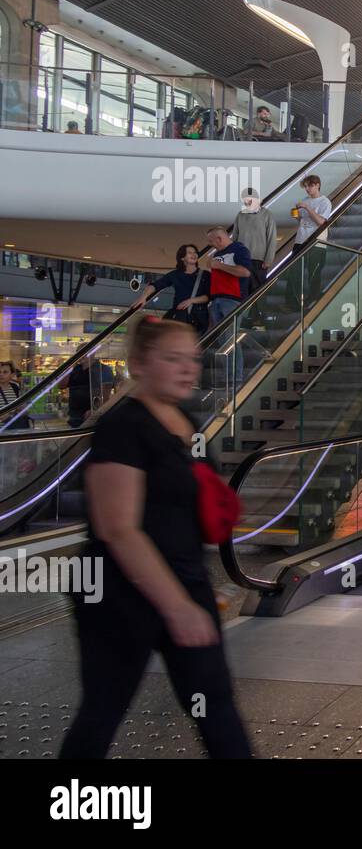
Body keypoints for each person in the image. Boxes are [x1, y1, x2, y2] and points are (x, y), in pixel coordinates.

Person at [60, 318, 251, 759]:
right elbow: (117, 528)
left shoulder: (186, 418)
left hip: (184, 580)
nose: (188, 370)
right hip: (119, 595)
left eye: (193, 360)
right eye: (172, 359)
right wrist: (177, 606)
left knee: (215, 705)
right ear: (138, 365)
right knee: (104, 708)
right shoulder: (123, 427)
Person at [133, 243, 211, 333]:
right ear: (182, 258)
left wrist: (191, 300)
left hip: (199, 319)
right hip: (180, 316)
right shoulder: (175, 275)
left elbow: (208, 297)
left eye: (195, 252)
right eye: (190, 253)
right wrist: (143, 297)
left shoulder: (205, 275)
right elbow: (155, 285)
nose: (194, 255)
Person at [289, 174, 333, 304]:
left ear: (317, 185)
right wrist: (296, 215)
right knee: (294, 271)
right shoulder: (305, 199)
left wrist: (308, 208)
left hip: (316, 242)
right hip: (300, 240)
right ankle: (294, 301)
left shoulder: (325, 202)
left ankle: (313, 300)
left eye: (310, 186)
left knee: (313, 273)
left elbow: (321, 222)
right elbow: (301, 220)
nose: (308, 189)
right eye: (306, 186)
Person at [203, 226, 253, 329]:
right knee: (219, 337)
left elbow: (245, 272)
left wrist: (219, 266)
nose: (210, 244)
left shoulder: (239, 250)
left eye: (211, 241)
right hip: (216, 298)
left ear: (219, 239)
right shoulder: (218, 253)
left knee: (230, 337)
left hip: (232, 299)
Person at [231, 189, 277, 292]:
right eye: (245, 200)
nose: (247, 202)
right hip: (241, 258)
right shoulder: (240, 215)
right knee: (242, 290)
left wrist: (268, 259)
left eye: (250, 200)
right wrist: (232, 256)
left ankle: (256, 309)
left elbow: (272, 238)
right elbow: (235, 237)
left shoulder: (267, 214)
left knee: (257, 291)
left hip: (259, 260)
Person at [63, 356, 115, 428]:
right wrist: (70, 367)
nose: (81, 356)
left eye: (84, 353)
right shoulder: (75, 369)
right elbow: (61, 385)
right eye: (79, 353)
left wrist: (95, 410)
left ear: (92, 353)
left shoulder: (103, 369)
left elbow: (105, 394)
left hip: (92, 414)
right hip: (74, 414)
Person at [0, 361, 31, 429]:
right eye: (0, 372)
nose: (1, 374)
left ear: (12, 374)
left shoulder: (15, 387)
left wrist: (22, 409)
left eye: (5, 372)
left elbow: (23, 411)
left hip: (13, 430)